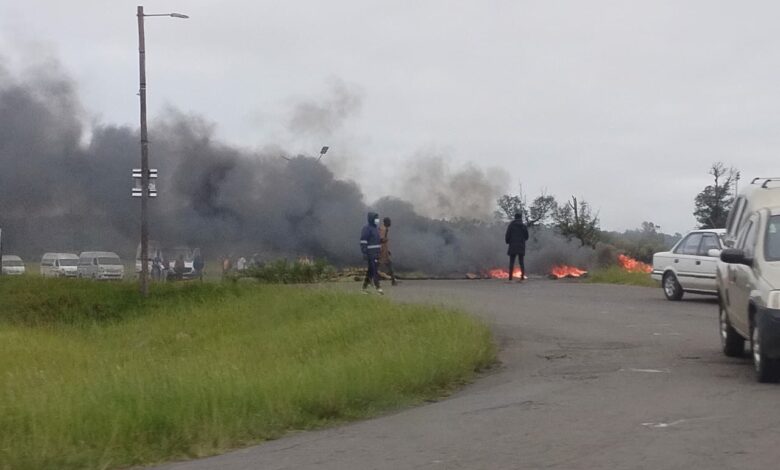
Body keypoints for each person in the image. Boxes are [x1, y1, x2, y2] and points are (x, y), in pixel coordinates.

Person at [360, 211, 384, 294]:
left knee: (370, 271)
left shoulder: (376, 229)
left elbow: (375, 241)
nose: (377, 220)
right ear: (371, 219)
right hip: (370, 253)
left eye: (377, 218)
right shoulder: (366, 229)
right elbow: (363, 241)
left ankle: (364, 288)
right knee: (374, 270)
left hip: (376, 253)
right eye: (375, 218)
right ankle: (378, 287)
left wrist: (381, 241)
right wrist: (364, 253)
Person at [505, 212, 529, 281]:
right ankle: (522, 277)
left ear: (515, 217)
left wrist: (508, 242)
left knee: (511, 262)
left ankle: (510, 277)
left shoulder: (511, 225)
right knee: (521, 262)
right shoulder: (523, 226)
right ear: (520, 217)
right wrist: (522, 240)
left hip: (512, 245)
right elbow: (527, 236)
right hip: (521, 246)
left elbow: (507, 235)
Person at [378, 216, 397, 286]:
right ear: (386, 222)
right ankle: (393, 280)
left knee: (388, 264)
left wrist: (387, 250)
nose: (390, 223)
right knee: (388, 264)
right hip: (381, 251)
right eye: (389, 222)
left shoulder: (384, 228)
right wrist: (385, 240)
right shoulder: (383, 229)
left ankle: (393, 280)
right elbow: (381, 239)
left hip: (383, 250)